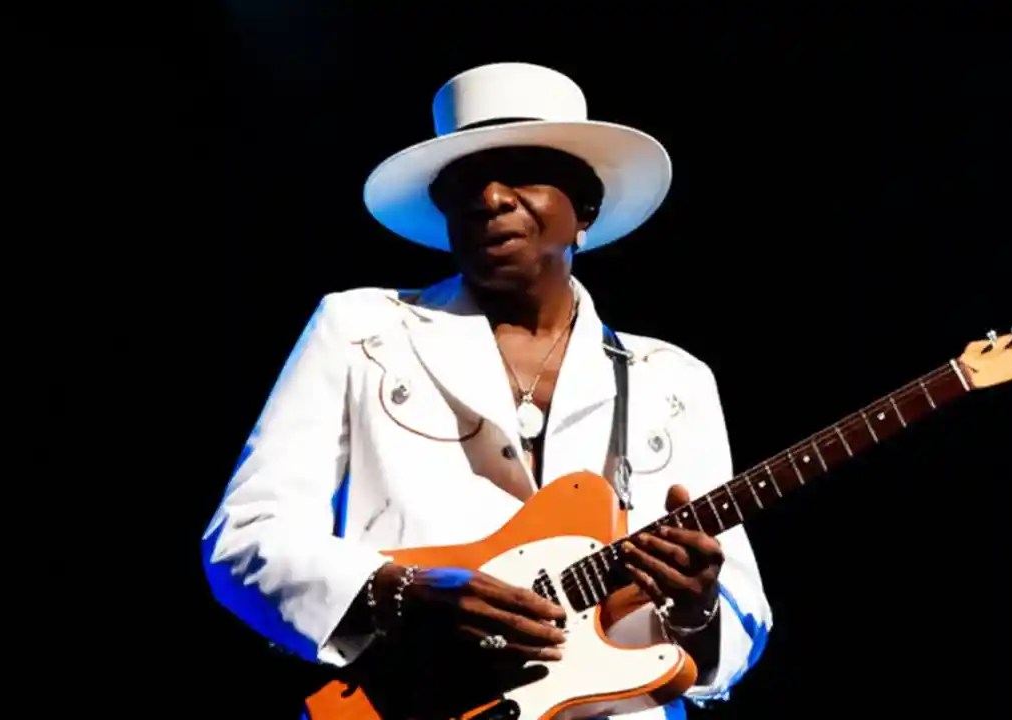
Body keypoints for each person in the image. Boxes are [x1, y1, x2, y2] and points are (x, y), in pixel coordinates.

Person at [202, 62, 773, 719]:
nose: (490, 198)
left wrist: (698, 611)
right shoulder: (360, 329)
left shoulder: (673, 378)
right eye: (465, 185)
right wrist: (403, 590)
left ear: (584, 207)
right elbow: (245, 539)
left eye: (522, 172)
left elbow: (739, 620)